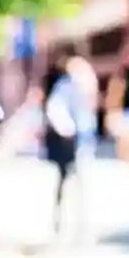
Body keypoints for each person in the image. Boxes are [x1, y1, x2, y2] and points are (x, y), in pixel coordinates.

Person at [42, 54, 99, 240]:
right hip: (72, 141)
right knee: (68, 181)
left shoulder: (83, 89)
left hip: (84, 140)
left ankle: (80, 223)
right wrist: (67, 129)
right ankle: (63, 221)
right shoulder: (67, 87)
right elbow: (54, 109)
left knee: (82, 182)